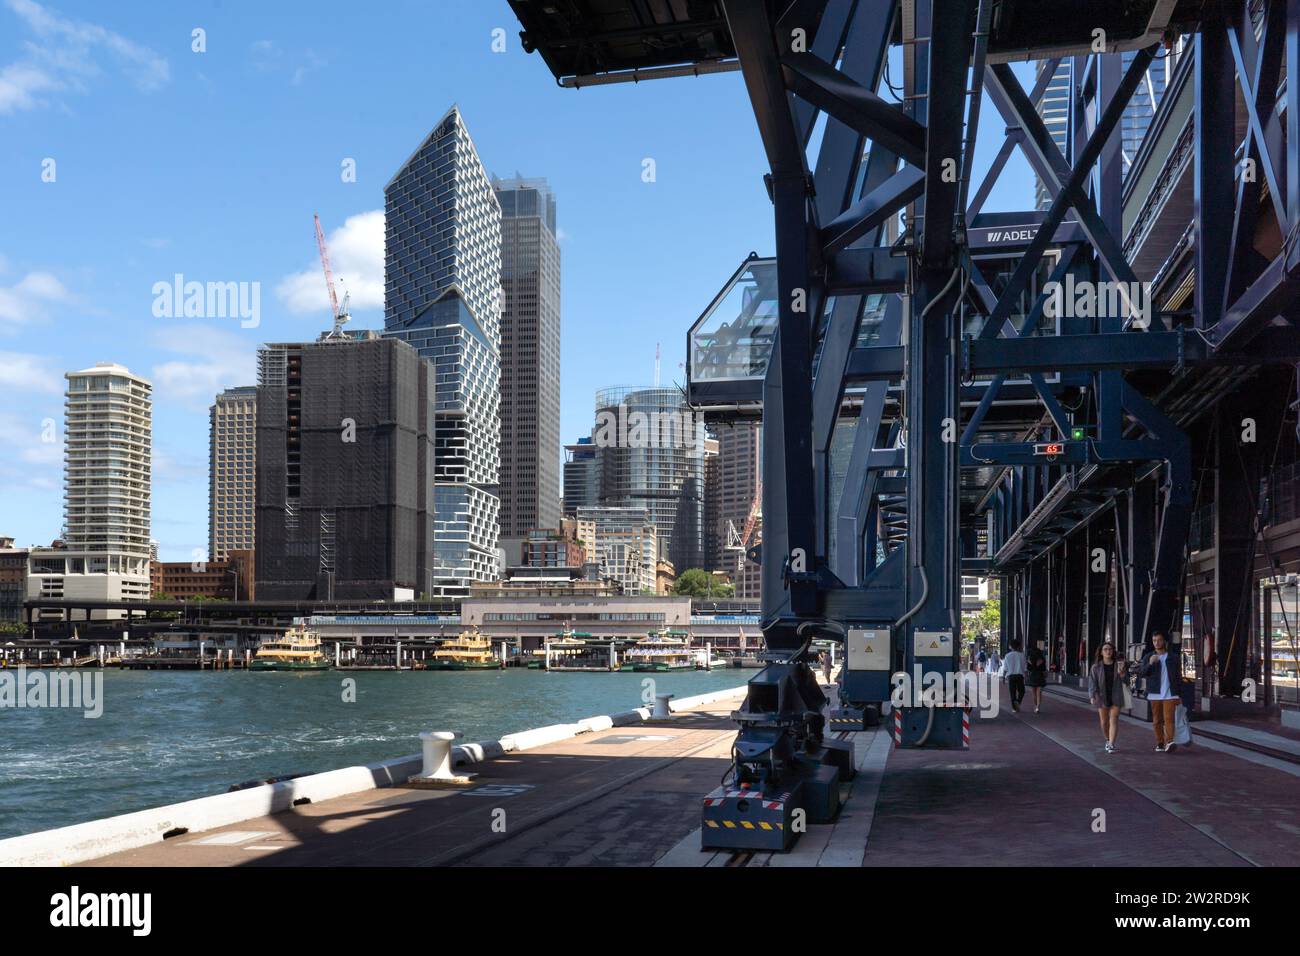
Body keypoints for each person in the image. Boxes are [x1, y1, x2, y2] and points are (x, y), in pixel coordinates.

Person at [1143, 631, 1183, 752]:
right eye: (1154, 640)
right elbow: (1142, 673)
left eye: (1159, 640)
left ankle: (1170, 741)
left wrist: (1179, 694)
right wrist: (1150, 663)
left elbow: (1178, 676)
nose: (1156, 643)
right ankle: (1160, 742)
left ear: (1164, 641)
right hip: (1154, 693)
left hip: (1170, 693)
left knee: (1169, 719)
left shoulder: (1173, 657)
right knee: (1157, 720)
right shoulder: (1148, 656)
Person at [1088, 641, 1128, 753]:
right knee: (1104, 722)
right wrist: (1092, 695)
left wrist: (1122, 674)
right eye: (1105, 649)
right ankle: (1107, 739)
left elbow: (1127, 681)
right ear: (1101, 652)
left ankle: (1111, 744)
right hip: (1102, 696)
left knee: (1114, 719)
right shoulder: (1096, 667)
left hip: (1117, 695)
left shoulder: (1119, 664)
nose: (1108, 651)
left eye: (1110, 649)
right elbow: (1092, 682)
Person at [1002, 640, 1026, 712]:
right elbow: (1025, 667)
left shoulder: (1007, 655)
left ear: (1011, 647)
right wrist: (1026, 676)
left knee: (1012, 692)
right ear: (1018, 646)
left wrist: (1003, 677)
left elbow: (1005, 668)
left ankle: (1014, 708)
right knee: (1022, 691)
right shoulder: (1022, 655)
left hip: (1011, 676)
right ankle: (1018, 702)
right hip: (1020, 676)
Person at [1026, 641, 1048, 712]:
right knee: (1039, 692)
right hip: (1040, 676)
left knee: (1034, 692)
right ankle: (1038, 707)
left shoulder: (1029, 660)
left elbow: (1028, 669)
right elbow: (1044, 669)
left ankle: (1035, 706)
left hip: (1032, 676)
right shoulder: (1042, 660)